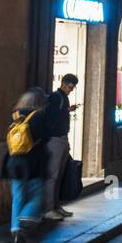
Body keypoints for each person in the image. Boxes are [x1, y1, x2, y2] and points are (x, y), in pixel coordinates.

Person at [2, 88, 53, 243]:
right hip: (34, 163)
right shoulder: (39, 116)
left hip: (14, 162)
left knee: (18, 197)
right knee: (37, 195)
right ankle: (25, 218)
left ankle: (16, 232)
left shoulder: (14, 115)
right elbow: (46, 137)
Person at [43, 73, 78, 221]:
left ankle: (56, 205)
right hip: (55, 139)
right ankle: (48, 209)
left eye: (73, 88)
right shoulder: (56, 96)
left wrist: (69, 110)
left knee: (59, 175)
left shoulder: (63, 97)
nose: (71, 90)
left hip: (62, 138)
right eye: (69, 87)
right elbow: (50, 117)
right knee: (53, 175)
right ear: (63, 83)